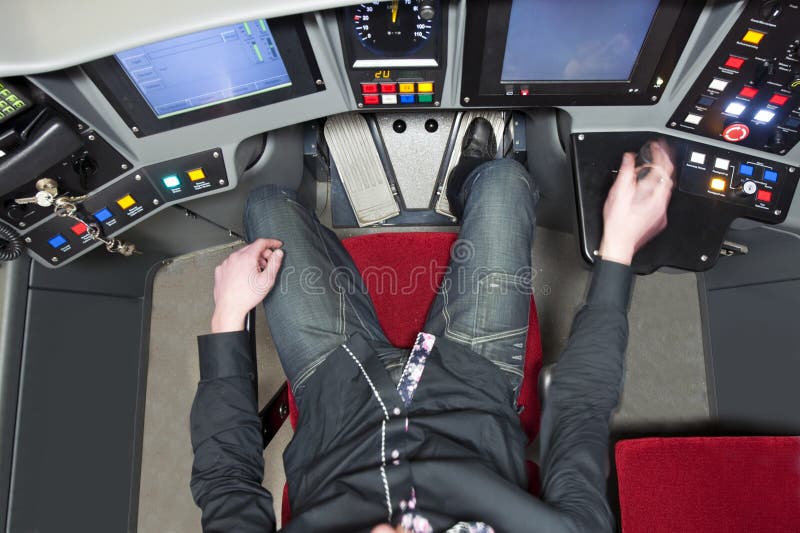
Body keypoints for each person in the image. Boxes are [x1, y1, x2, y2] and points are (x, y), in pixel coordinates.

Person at [189, 118, 675, 533]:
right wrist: (619, 249)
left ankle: (335, 272)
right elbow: (581, 408)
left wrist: (228, 314)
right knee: (504, 181)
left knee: (267, 207)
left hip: (336, 393)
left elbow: (225, 482)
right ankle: (469, 177)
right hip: (473, 383)